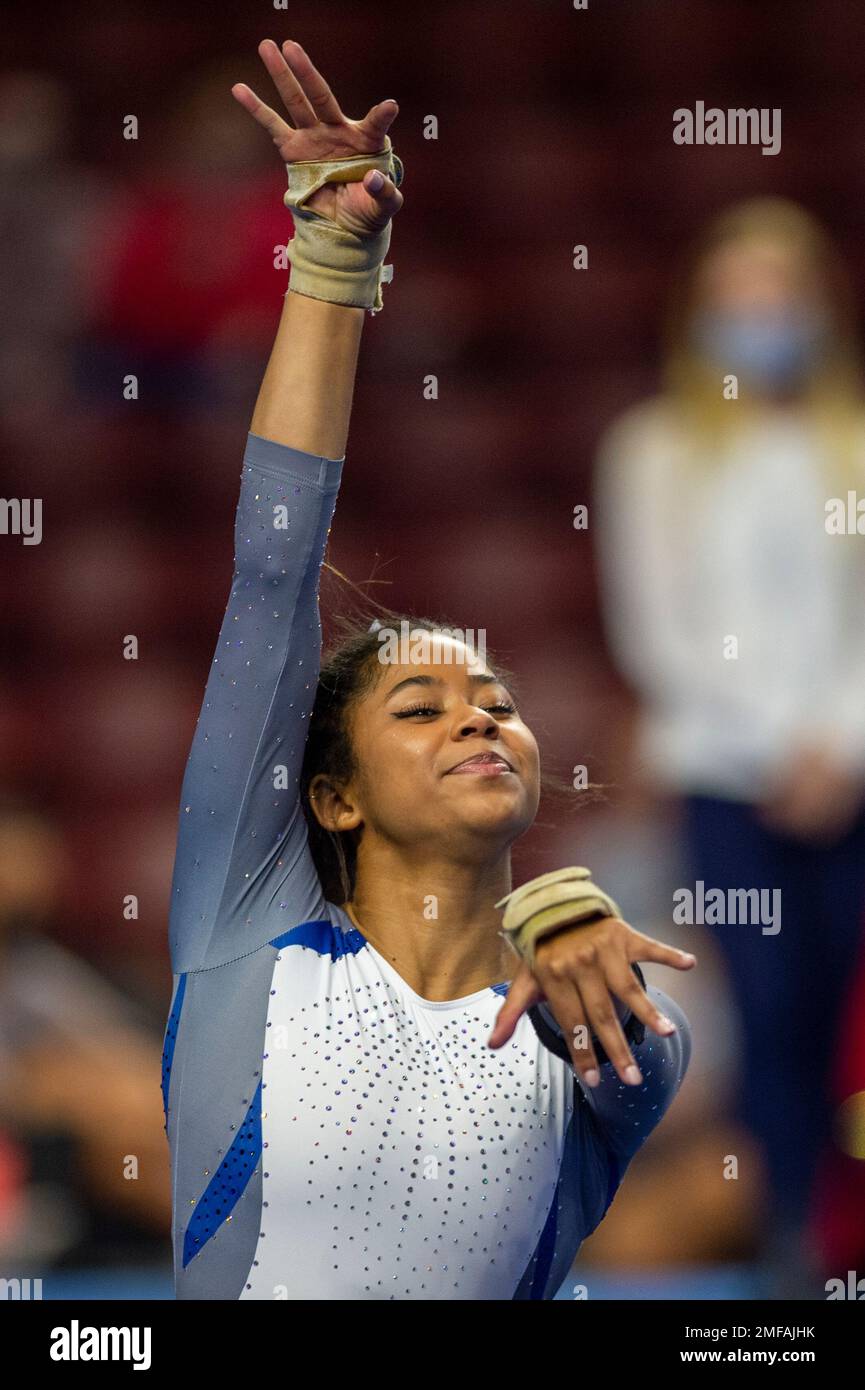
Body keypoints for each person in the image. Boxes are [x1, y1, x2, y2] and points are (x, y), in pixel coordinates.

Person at [162, 37, 693, 1301]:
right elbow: (276, 570)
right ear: (332, 796)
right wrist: (334, 265)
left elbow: (641, 1054)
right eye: (423, 702)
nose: (481, 717)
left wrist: (564, 924)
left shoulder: (602, 1028)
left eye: (498, 703)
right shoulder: (248, 933)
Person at [595, 197, 865, 1288]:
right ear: (698, 312)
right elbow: (660, 631)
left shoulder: (850, 443)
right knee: (766, 1005)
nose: (759, 312)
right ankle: (793, 1229)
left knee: (848, 1006)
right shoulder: (653, 451)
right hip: (722, 775)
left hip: (850, 774)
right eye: (735, 292)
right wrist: (774, 748)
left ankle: (844, 1224)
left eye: (778, 289)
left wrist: (838, 744)